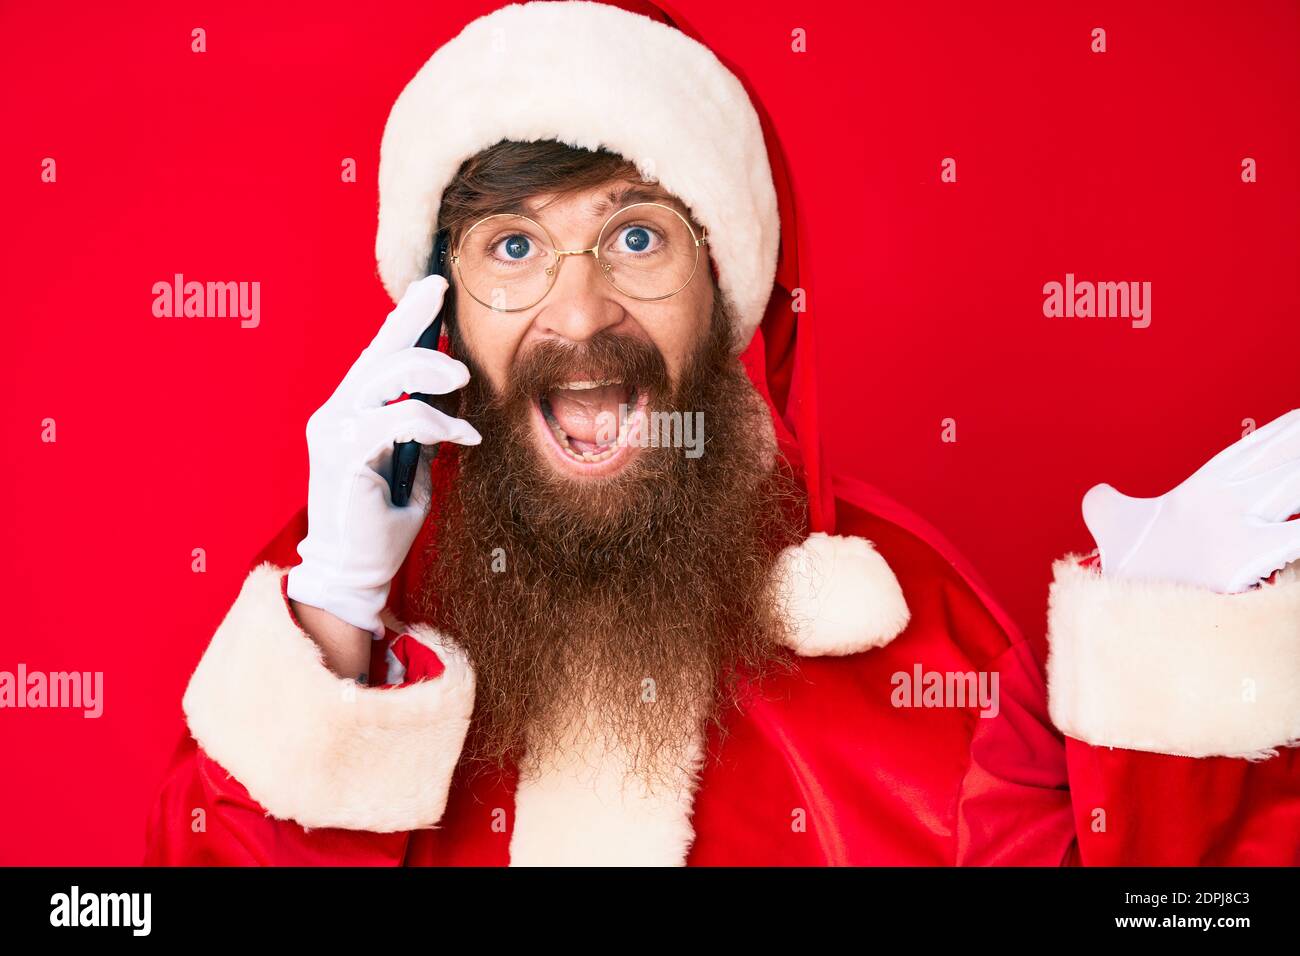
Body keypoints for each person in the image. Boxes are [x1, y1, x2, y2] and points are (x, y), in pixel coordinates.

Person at [144, 0, 1300, 866]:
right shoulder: (335, 609)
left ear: (725, 287)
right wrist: (340, 612)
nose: (582, 307)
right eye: (511, 247)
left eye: (636, 238)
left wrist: (1167, 713)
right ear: (436, 310)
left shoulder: (906, 618)